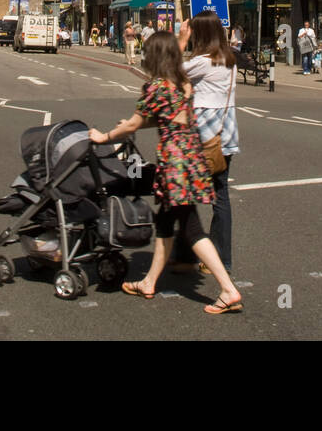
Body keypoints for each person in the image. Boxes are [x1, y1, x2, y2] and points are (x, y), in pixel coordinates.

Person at [88, 31, 243, 314]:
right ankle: (149, 282)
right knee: (165, 224)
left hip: (175, 164)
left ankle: (228, 288)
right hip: (191, 157)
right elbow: (170, 119)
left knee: (192, 228)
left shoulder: (156, 87)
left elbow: (134, 124)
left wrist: (105, 136)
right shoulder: (182, 83)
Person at [171, 12, 239, 274]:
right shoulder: (229, 58)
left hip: (203, 137)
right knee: (220, 197)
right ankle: (221, 257)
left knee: (184, 195)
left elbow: (167, 71)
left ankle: (186, 255)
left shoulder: (202, 62)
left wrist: (181, 39)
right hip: (226, 134)